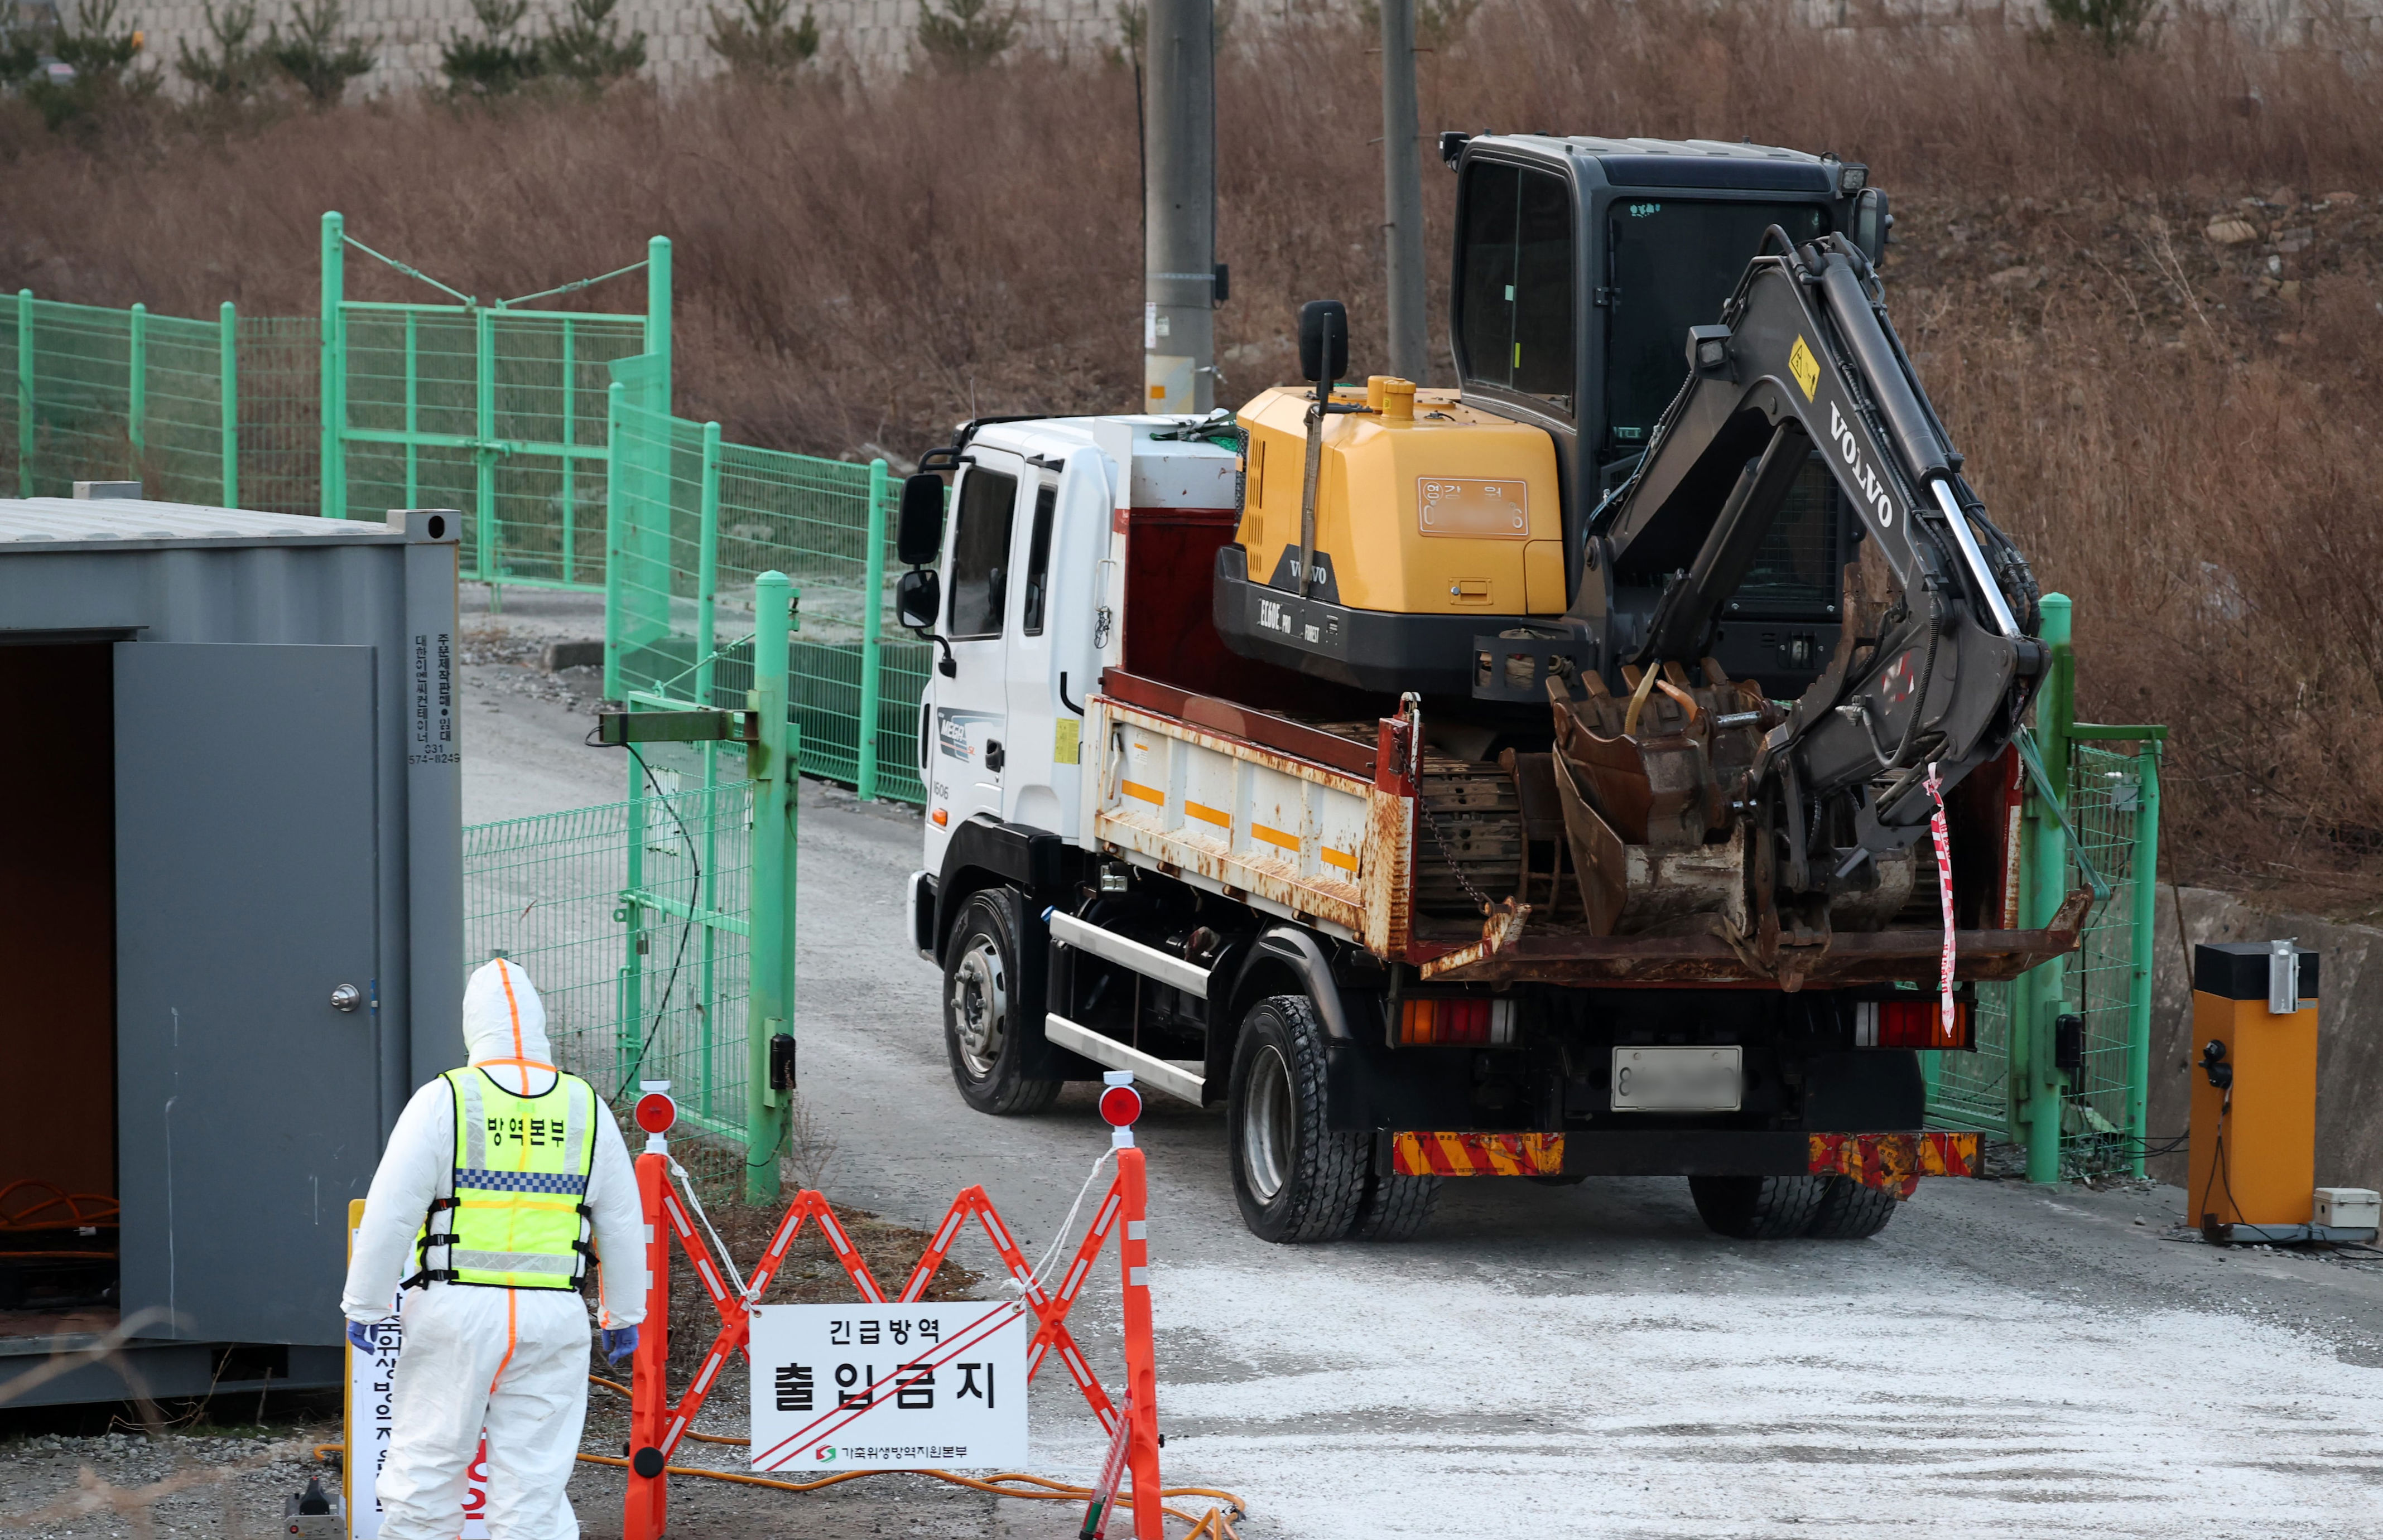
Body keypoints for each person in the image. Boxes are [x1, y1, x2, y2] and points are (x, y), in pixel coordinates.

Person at [343, 957, 647, 1540]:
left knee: (426, 1471)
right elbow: (622, 1220)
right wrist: (623, 1314)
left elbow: (391, 1209)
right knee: (533, 1484)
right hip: (552, 1315)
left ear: (472, 1028)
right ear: (539, 1027)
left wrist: (365, 1302)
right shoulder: (585, 1108)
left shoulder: (446, 1100)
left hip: (454, 1314)